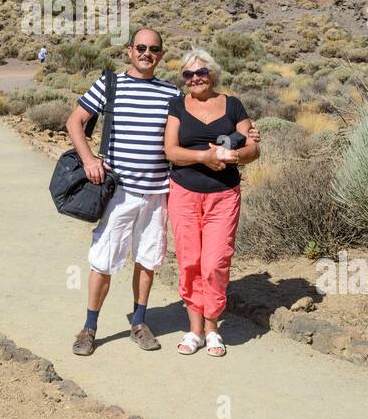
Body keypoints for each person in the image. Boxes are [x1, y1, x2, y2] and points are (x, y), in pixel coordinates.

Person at [65, 29, 177, 356]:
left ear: (160, 53)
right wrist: (88, 160)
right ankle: (89, 328)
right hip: (119, 192)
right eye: (140, 47)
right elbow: (75, 121)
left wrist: (242, 132)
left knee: (148, 259)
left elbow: (191, 131)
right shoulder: (110, 84)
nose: (146, 53)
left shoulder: (171, 93)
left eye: (153, 48)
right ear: (129, 50)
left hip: (157, 193)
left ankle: (139, 323)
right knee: (103, 260)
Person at [163, 48, 260, 357]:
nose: (195, 79)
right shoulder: (177, 105)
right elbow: (171, 151)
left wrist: (232, 155)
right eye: (189, 75)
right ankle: (194, 329)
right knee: (190, 260)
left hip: (223, 195)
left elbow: (252, 147)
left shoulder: (232, 105)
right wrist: (205, 157)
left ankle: (212, 327)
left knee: (216, 262)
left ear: (213, 73)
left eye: (201, 72)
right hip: (184, 193)